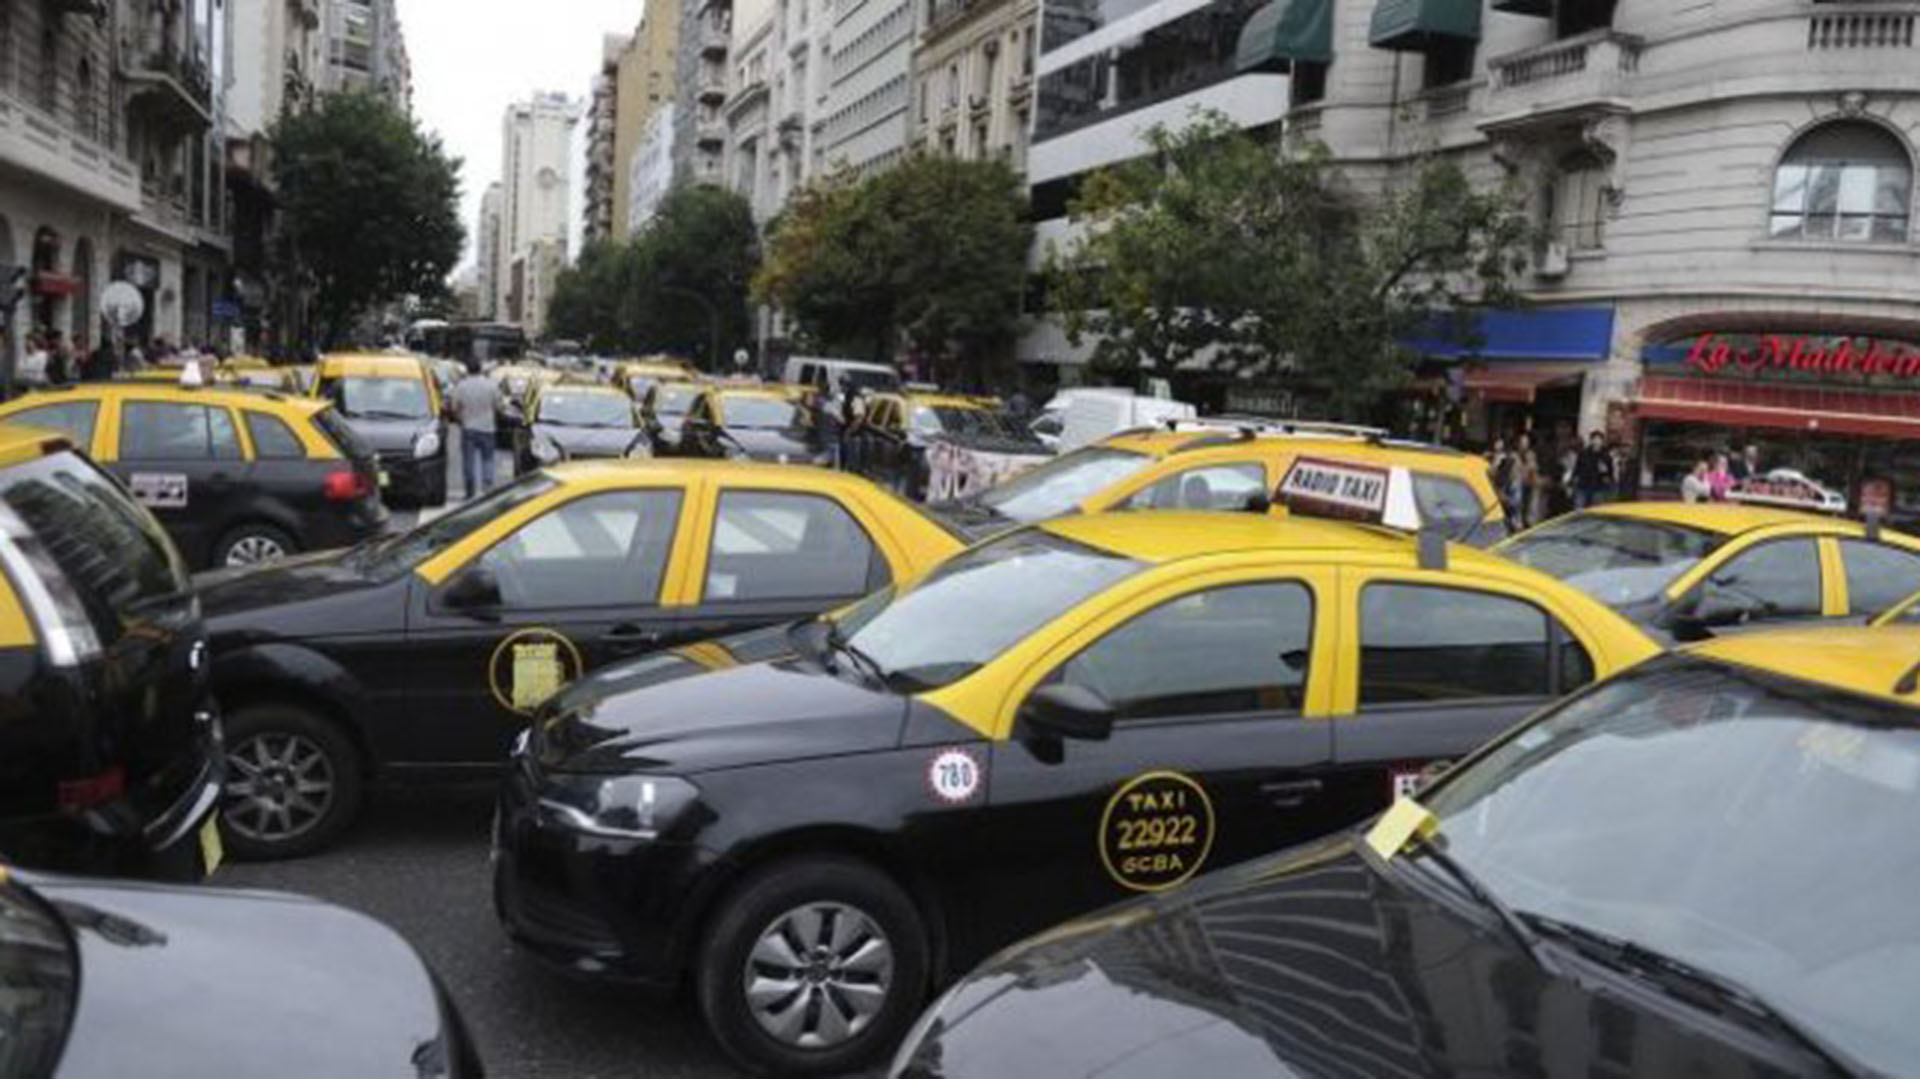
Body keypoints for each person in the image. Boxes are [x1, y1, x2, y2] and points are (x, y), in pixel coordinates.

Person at [448, 357, 500, 500]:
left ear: (467, 370)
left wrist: (460, 419)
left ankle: (470, 490)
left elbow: (454, 407)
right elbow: (498, 406)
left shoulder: (461, 386)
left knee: (468, 460)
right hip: (488, 428)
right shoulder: (491, 385)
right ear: (480, 369)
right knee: (488, 459)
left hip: (468, 427)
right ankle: (488, 487)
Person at [1572, 431, 1615, 509]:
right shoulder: (1584, 453)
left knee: (1596, 509)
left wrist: (1606, 476)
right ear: (1591, 441)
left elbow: (1610, 472)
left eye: (1599, 440)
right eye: (1595, 439)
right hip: (1583, 485)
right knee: (1579, 508)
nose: (1597, 442)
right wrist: (1574, 479)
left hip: (1598, 486)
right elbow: (1577, 468)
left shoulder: (1606, 455)